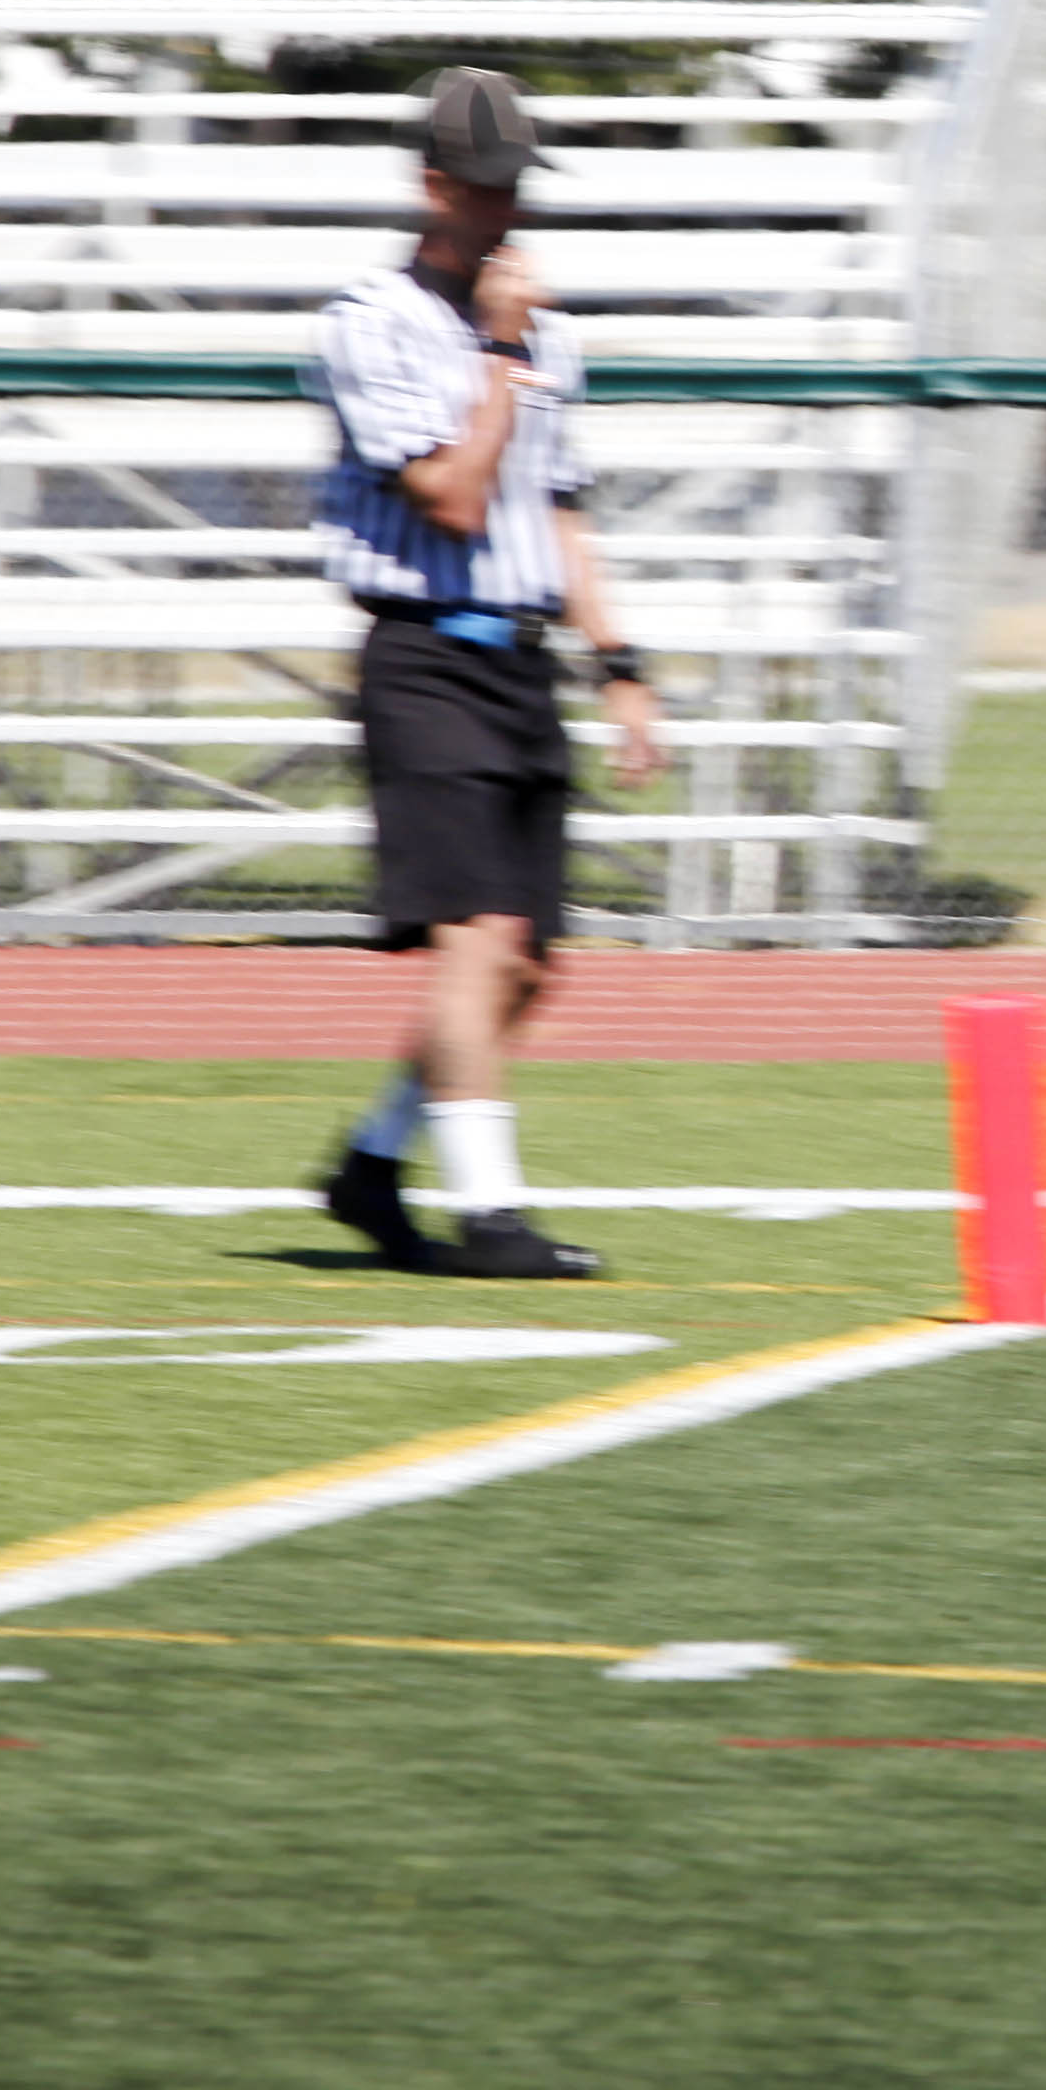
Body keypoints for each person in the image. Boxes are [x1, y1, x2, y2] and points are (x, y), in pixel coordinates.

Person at [304, 70, 669, 1280]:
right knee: (475, 939)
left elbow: (559, 512)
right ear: (434, 184)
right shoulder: (372, 318)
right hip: (422, 653)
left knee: (525, 961)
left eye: (519, 186)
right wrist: (503, 355)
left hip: (518, 661)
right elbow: (452, 496)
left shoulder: (547, 332)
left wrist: (617, 662)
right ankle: (491, 1213)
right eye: (488, 186)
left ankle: (374, 1159)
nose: (509, 212)